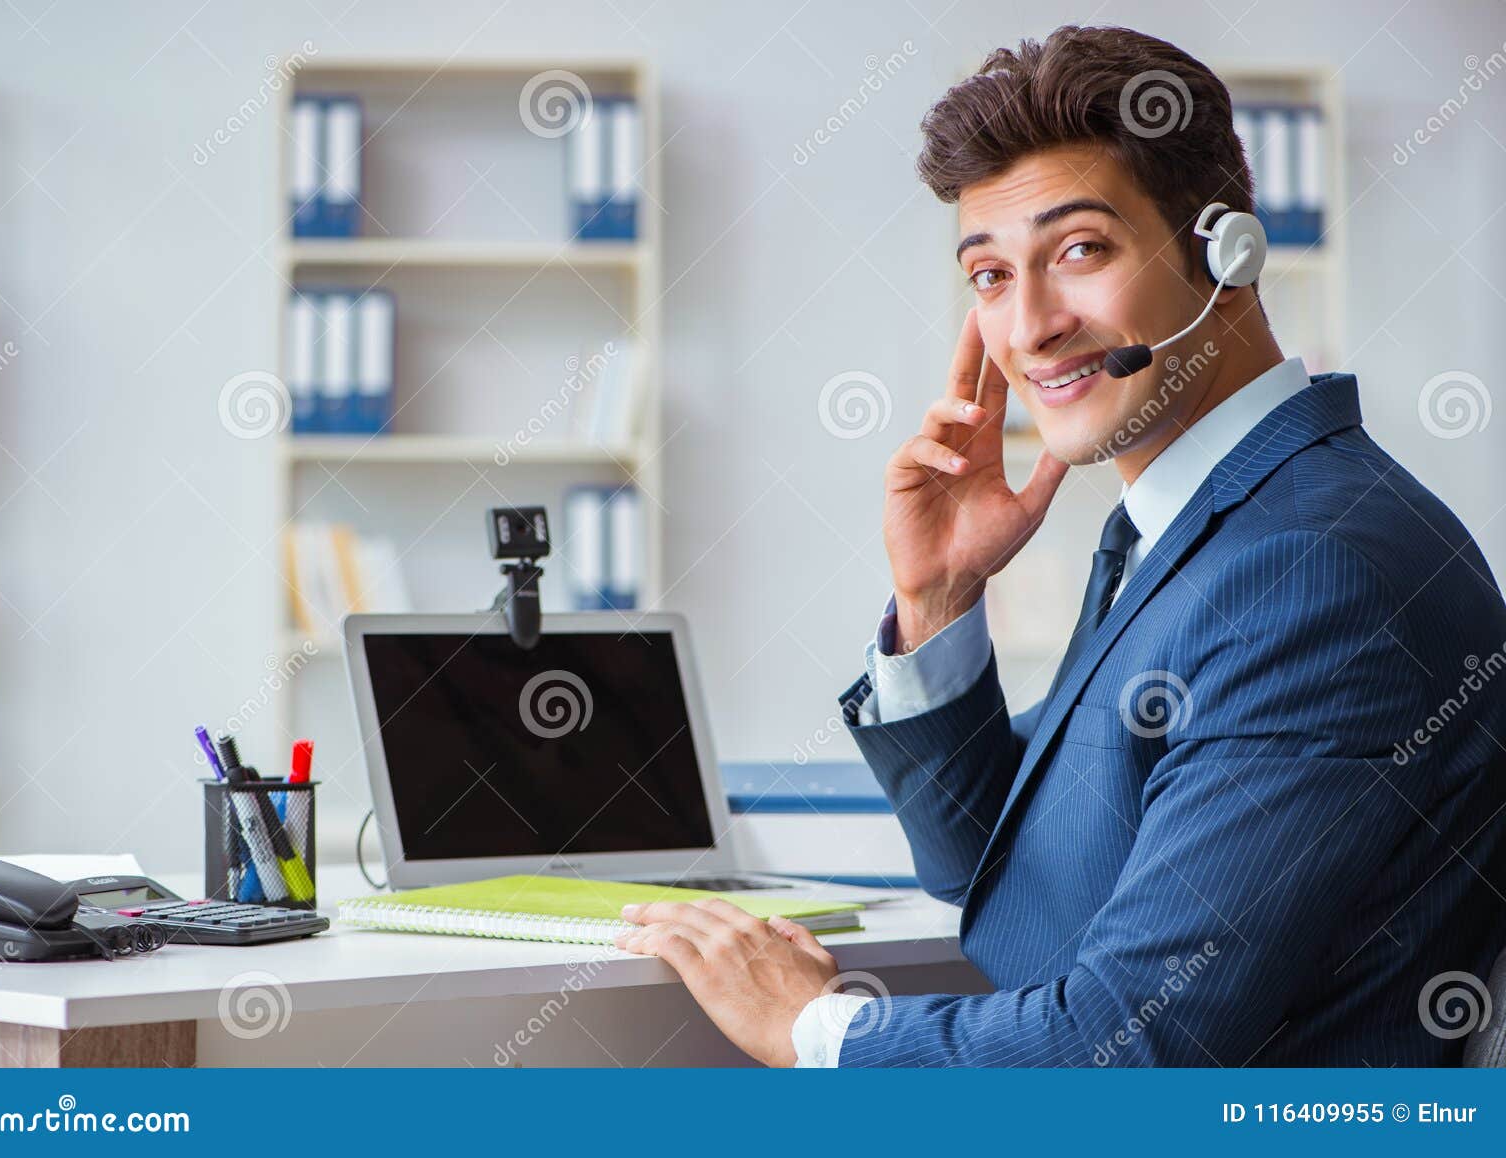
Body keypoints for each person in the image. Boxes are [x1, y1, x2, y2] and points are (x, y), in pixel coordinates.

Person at [615, 24, 1506, 1067]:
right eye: (989, 275)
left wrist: (813, 1029)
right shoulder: (1191, 530)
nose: (1028, 325)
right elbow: (999, 875)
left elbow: (1125, 1049)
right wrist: (939, 600)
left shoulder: (1312, 569)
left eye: (1078, 251)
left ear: (1227, 257)